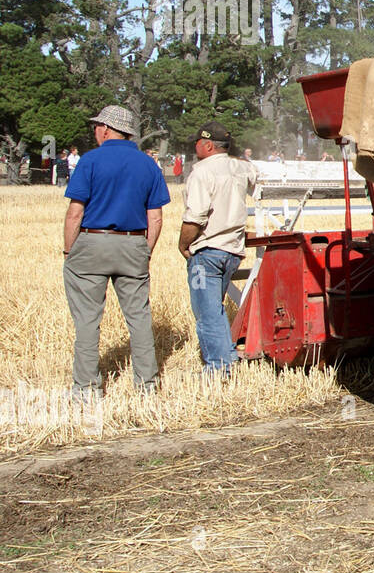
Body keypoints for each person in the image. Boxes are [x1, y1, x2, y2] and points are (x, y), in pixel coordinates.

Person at [62, 105, 170, 398]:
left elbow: (75, 212)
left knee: (87, 319)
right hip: (133, 242)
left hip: (91, 241)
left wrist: (69, 250)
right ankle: (147, 385)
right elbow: (156, 217)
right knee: (138, 317)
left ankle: (86, 388)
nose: (94, 131)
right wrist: (144, 251)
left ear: (106, 129)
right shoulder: (148, 164)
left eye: (96, 126)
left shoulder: (90, 160)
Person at [178, 121, 257, 375]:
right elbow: (255, 176)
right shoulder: (241, 167)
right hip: (233, 251)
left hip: (208, 251)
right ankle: (228, 357)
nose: (195, 146)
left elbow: (195, 217)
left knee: (207, 311)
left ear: (208, 145)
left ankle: (219, 368)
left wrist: (184, 244)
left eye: (198, 142)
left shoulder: (201, 173)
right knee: (216, 307)